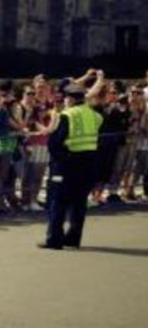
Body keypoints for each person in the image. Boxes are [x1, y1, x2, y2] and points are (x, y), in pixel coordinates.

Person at [40, 79, 104, 250]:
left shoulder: (68, 115)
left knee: (58, 201)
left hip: (68, 163)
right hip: (89, 163)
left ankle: (54, 239)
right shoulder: (95, 115)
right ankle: (73, 238)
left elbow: (54, 143)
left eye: (66, 97)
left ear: (72, 99)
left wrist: (60, 160)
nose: (65, 100)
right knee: (79, 203)